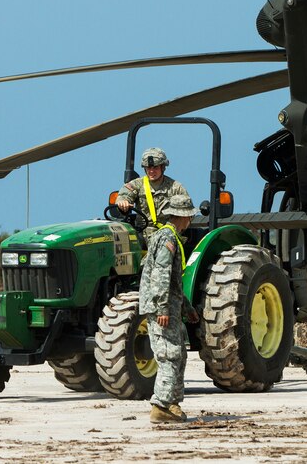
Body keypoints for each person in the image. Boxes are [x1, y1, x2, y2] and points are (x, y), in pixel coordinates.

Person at [138, 194, 200, 424]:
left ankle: (172, 403)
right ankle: (161, 405)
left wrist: (187, 308)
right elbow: (161, 276)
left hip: (170, 306)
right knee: (169, 355)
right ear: (183, 217)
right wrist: (163, 308)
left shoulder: (168, 236)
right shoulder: (167, 239)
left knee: (178, 355)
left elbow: (173, 282)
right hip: (161, 308)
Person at [115, 147, 192, 239]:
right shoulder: (137, 184)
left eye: (155, 167)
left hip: (167, 234)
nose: (151, 171)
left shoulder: (176, 187)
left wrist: (173, 228)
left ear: (162, 167)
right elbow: (124, 195)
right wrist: (123, 202)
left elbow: (188, 214)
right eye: (148, 167)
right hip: (141, 234)